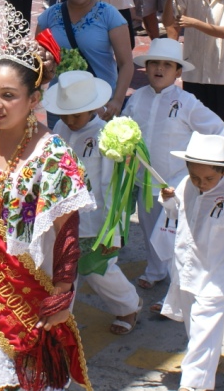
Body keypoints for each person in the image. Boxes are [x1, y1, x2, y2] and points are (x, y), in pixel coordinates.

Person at [0, 18, 93, 391]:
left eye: (8, 95)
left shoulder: (52, 155)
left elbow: (68, 230)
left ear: (34, 100)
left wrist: (63, 292)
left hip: (34, 287)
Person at [160, 132, 224, 391]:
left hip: (216, 278)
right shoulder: (186, 185)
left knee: (202, 334)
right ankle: (207, 370)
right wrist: (167, 199)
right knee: (197, 330)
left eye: (209, 178)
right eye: (196, 177)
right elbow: (175, 213)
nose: (201, 183)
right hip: (186, 272)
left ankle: (192, 384)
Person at [123, 37, 224, 293]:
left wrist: (202, 167)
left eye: (167, 65)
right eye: (154, 64)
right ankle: (156, 270)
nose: (159, 69)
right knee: (149, 229)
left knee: (176, 233)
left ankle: (179, 283)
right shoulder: (137, 98)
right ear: (145, 68)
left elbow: (216, 128)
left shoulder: (187, 102)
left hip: (177, 183)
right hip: (145, 180)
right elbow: (125, 127)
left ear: (178, 72)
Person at [44, 70, 142, 335]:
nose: (69, 120)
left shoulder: (105, 136)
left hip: (95, 221)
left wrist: (114, 230)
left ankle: (128, 305)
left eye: (76, 114)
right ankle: (62, 321)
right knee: (64, 270)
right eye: (65, 114)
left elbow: (112, 185)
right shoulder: (62, 128)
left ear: (92, 109)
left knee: (99, 271)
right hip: (64, 214)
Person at [36, 0, 133, 121]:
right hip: (62, 103)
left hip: (100, 103)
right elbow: (38, 63)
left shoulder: (109, 15)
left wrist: (117, 100)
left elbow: (126, 64)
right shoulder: (49, 17)